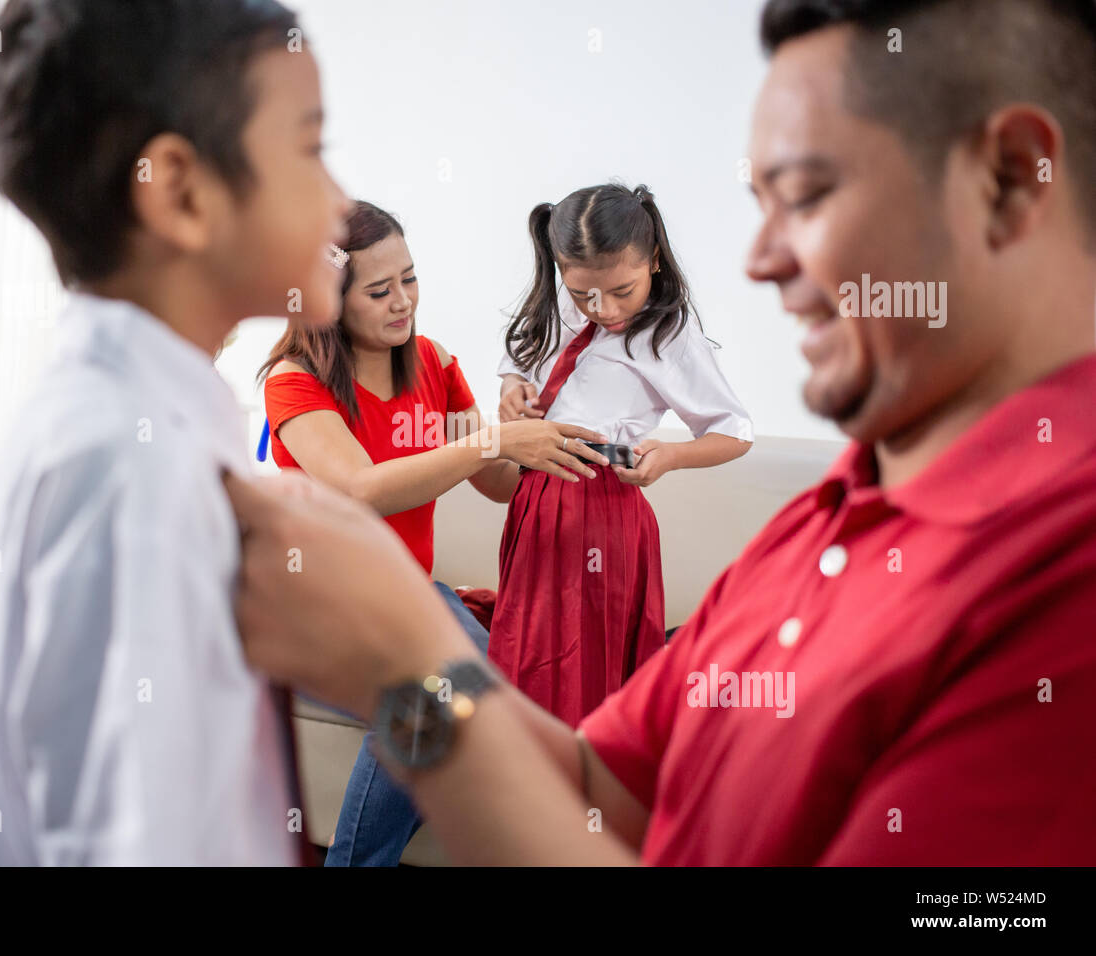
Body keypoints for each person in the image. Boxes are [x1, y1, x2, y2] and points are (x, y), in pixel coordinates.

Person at [224, 0, 1096, 865]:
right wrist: (411, 665)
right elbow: (592, 787)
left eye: (809, 194)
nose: (759, 259)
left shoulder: (1055, 571)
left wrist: (416, 644)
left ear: (1012, 179)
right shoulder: (811, 529)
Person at [0, 0, 348, 865]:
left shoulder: (154, 424)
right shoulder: (131, 467)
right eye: (310, 149)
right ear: (180, 191)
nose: (339, 202)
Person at [260, 200, 608, 865]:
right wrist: (492, 441)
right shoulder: (294, 383)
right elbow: (362, 489)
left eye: (410, 279)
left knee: (495, 680)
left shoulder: (433, 363)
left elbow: (499, 481)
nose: (403, 301)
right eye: (379, 289)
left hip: (405, 594)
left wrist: (530, 426)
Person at [490, 183, 753, 725]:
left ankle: (592, 795)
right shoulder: (561, 303)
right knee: (528, 653)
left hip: (600, 510)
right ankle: (529, 791)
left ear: (653, 260)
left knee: (591, 667)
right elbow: (519, 361)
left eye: (621, 291)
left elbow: (735, 430)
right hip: (535, 502)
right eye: (584, 292)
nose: (601, 308)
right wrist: (511, 391)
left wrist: (673, 456)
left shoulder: (668, 334)